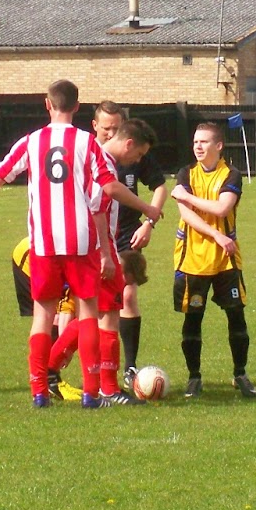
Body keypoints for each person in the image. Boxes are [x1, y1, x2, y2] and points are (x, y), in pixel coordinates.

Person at [0, 79, 161, 408]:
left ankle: (38, 391)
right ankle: (93, 392)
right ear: (78, 107)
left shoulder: (31, 141)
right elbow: (107, 188)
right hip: (81, 240)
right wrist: (146, 210)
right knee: (90, 313)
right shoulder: (87, 144)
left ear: (47, 104)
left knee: (42, 316)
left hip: (44, 242)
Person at [171, 121, 256, 399]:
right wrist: (216, 235)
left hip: (225, 261)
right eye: (196, 141)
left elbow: (222, 208)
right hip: (192, 260)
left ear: (218, 146)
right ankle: (194, 377)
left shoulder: (231, 174)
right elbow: (186, 215)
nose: (198, 146)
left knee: (236, 316)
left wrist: (187, 198)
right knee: (193, 319)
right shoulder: (186, 173)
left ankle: (240, 373)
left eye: (204, 142)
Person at [91, 100, 168, 389]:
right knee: (88, 307)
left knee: (126, 298)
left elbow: (160, 186)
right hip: (97, 239)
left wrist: (149, 223)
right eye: (106, 128)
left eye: (115, 127)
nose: (111, 133)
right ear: (95, 126)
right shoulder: (93, 156)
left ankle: (128, 367)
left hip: (126, 235)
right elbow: (107, 193)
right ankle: (88, 371)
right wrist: (148, 210)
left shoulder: (135, 154)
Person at [11, 236, 83, 402]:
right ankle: (50, 380)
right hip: (31, 258)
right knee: (50, 315)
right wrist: (65, 351)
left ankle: (47, 381)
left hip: (36, 250)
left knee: (52, 314)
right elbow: (66, 311)